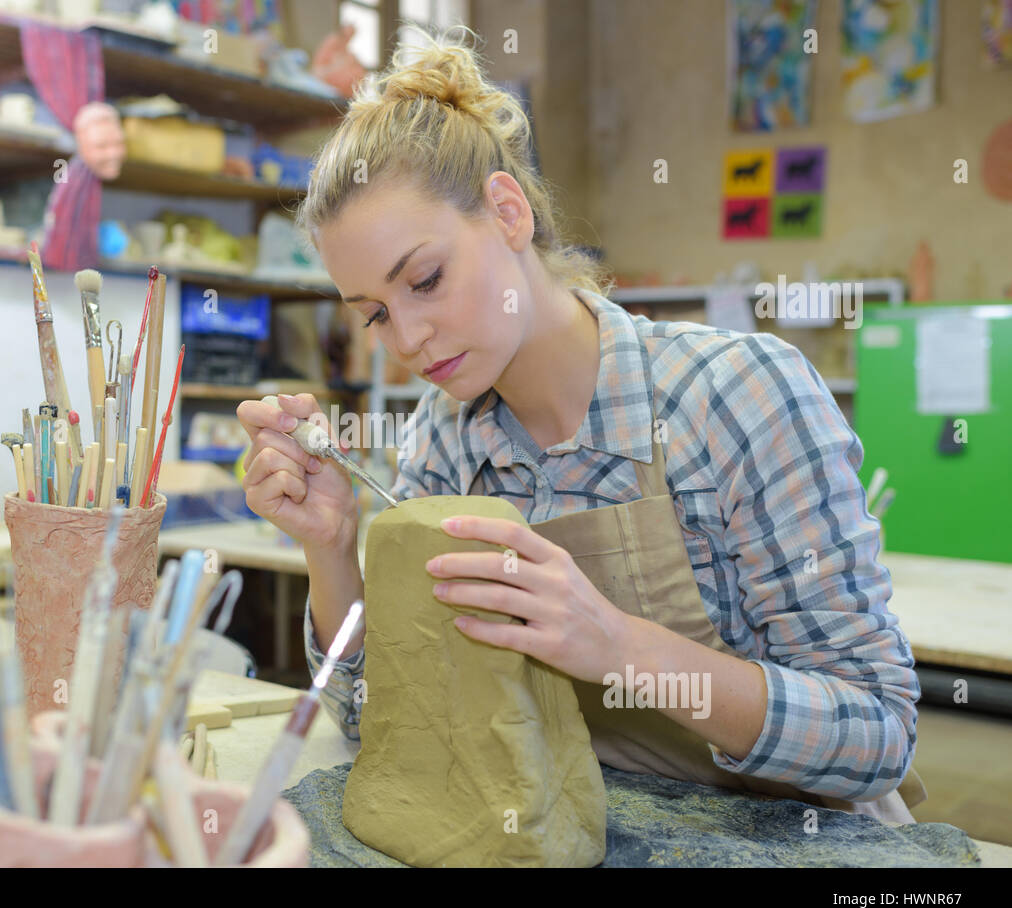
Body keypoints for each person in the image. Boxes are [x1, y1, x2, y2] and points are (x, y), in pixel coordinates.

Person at [235, 28, 925, 823]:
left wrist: (624, 647)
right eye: (377, 313)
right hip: (594, 829)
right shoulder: (446, 441)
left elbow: (878, 732)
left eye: (425, 279)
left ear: (507, 211)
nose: (407, 338)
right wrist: (330, 546)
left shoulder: (738, 394)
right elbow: (387, 721)